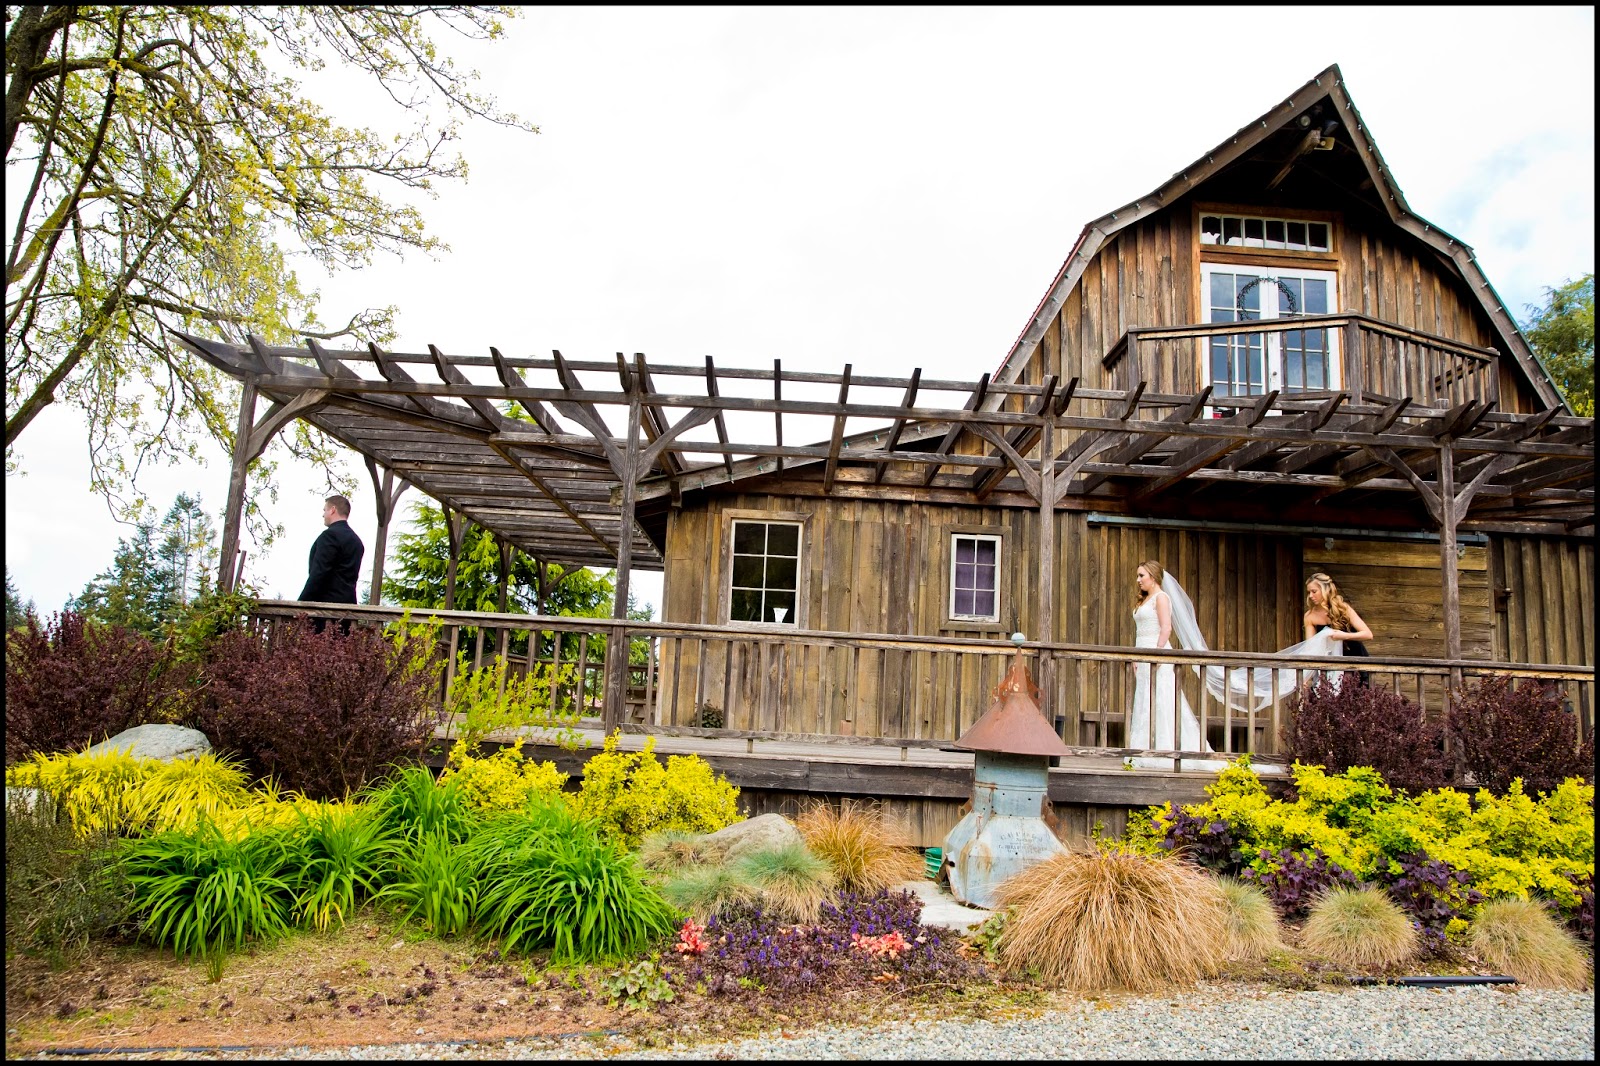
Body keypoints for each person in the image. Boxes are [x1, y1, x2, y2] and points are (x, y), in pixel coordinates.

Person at [1128, 560, 1227, 769]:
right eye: (1137, 576)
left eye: (1141, 576)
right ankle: (1143, 747)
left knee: (1163, 699)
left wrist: (1155, 654)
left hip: (1157, 654)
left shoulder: (1161, 598)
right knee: (1146, 700)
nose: (1138, 580)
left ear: (1153, 577)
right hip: (1143, 654)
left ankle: (1165, 747)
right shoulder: (1145, 600)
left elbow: (1166, 628)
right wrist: (1137, 657)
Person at [299, 494, 364, 631]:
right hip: (348, 608)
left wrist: (302, 603)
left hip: (325, 612)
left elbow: (320, 572)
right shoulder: (357, 542)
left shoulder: (329, 536)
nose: (323, 514)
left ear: (333, 510)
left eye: (324, 510)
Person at [1302, 571, 1373, 685]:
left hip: (1354, 660)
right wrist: (1305, 675)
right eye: (1309, 592)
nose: (1310, 596)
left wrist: (1344, 636)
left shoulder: (1343, 609)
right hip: (1330, 666)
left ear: (1325, 590)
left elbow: (1368, 634)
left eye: (1314, 591)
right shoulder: (1310, 616)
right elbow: (1310, 648)